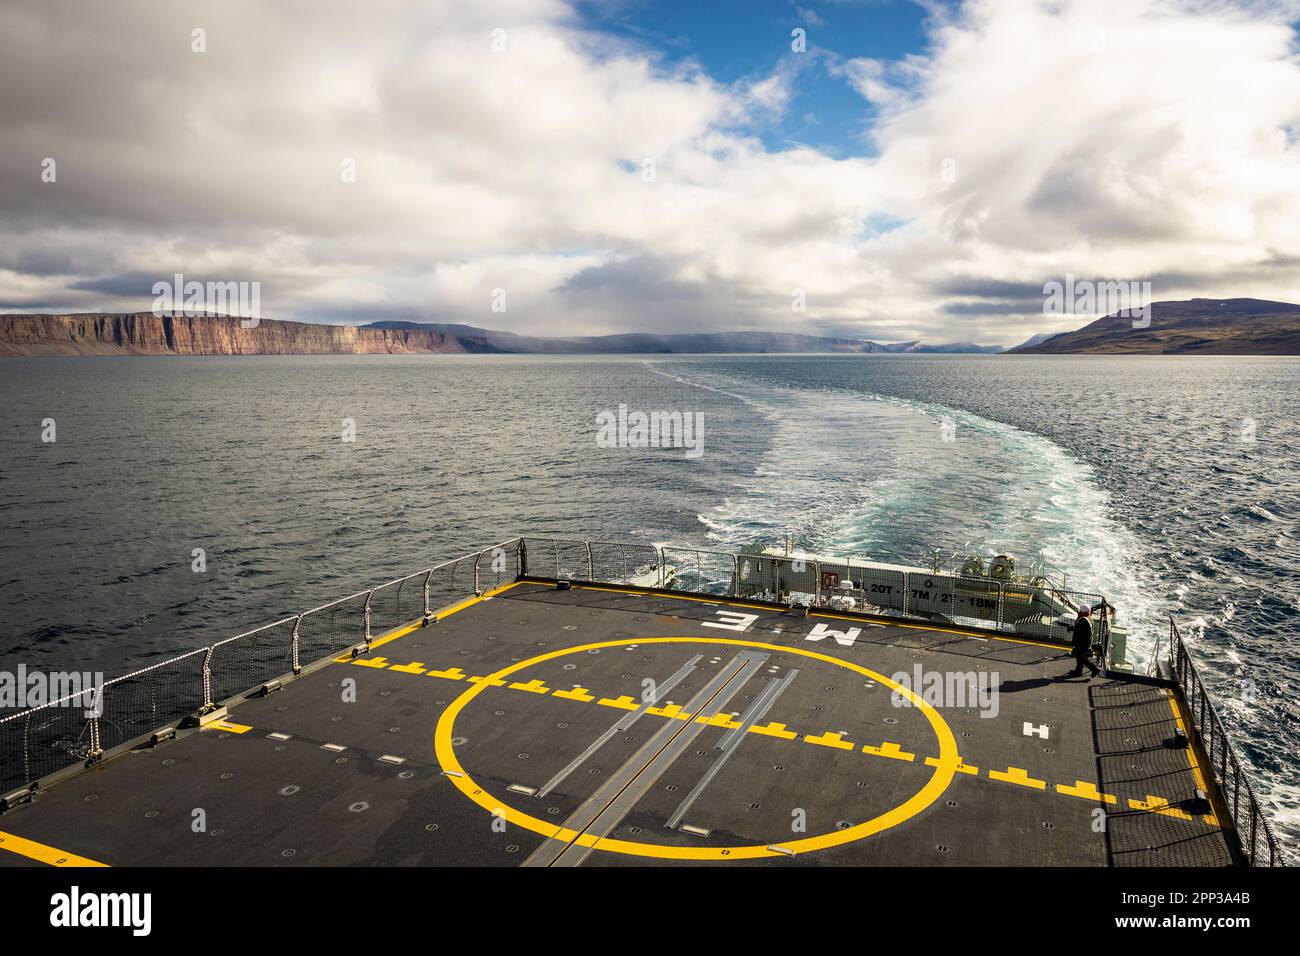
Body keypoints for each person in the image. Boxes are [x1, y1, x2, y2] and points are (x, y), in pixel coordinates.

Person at [1061, 604, 1100, 678]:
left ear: (1082, 612)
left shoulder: (1083, 620)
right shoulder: (1089, 618)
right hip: (1086, 641)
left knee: (1081, 657)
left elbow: (1078, 630)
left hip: (1082, 642)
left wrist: (1071, 628)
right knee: (1079, 657)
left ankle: (1094, 669)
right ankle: (1078, 671)